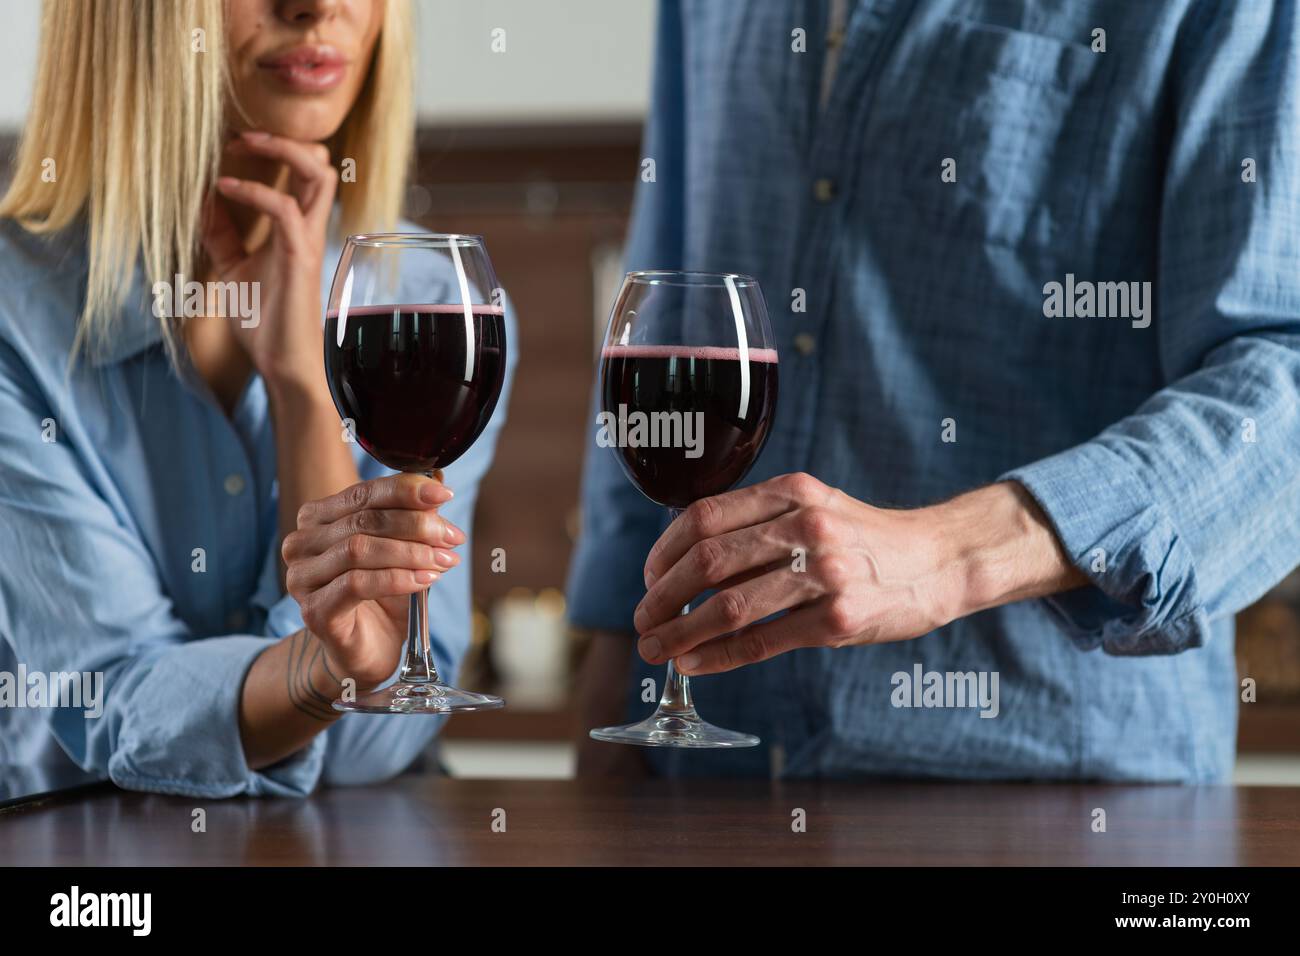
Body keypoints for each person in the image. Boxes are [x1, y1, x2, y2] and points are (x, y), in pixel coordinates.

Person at [569, 0, 1300, 781]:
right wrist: (613, 660)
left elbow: (1280, 381)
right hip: (713, 775)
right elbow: (659, 311)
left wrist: (948, 554)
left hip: (1055, 788)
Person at [0, 0, 514, 798]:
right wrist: (327, 670)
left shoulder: (444, 304)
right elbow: (112, 698)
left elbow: (373, 739)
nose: (317, 7)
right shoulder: (14, 314)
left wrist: (304, 386)